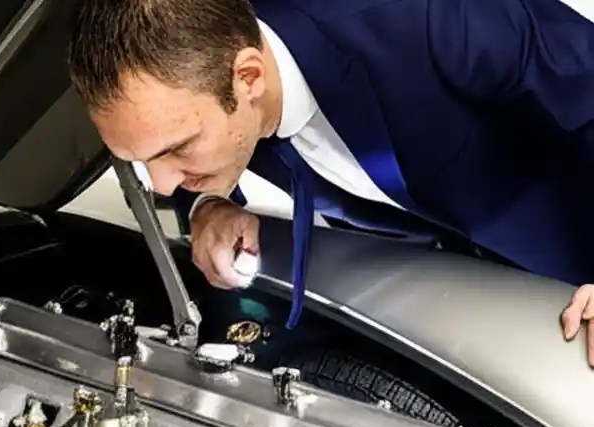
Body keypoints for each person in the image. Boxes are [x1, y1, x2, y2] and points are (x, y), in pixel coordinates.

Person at [67, 0, 594, 365]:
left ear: (248, 78)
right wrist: (206, 204)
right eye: (140, 160)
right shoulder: (207, 81)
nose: (162, 185)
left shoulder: (427, 19)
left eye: (177, 149)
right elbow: (176, 149)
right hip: (454, 296)